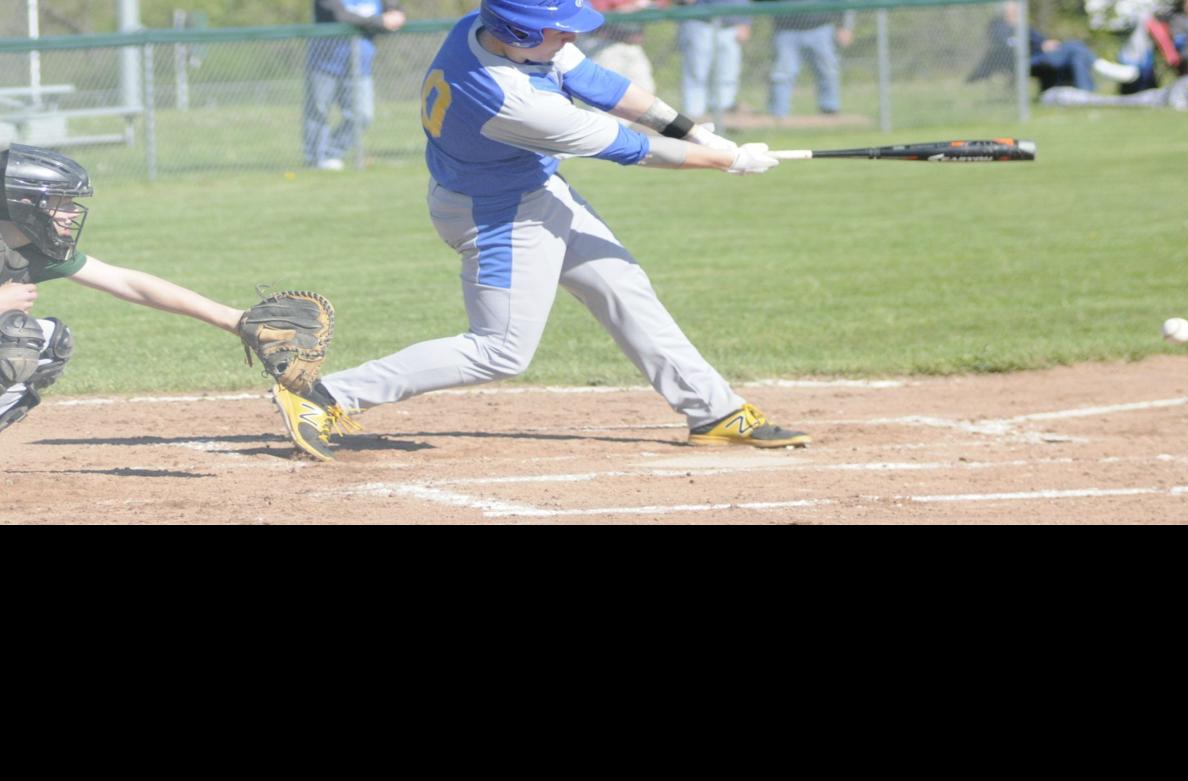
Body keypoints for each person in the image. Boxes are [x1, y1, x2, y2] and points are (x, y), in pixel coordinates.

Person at [276, 0, 808, 461]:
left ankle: (713, 411)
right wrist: (727, 159)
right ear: (519, 35)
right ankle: (326, 396)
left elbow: (600, 84)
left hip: (535, 191)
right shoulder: (509, 97)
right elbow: (632, 148)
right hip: (498, 215)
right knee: (499, 349)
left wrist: (694, 130)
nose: (573, 35)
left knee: (625, 288)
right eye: (559, 29)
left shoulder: (481, 28)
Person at [0, 144, 268, 437]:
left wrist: (232, 319)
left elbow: (127, 283)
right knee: (17, 336)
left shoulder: (32, 249)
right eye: (61, 203)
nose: (72, 212)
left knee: (50, 344)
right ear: (23, 203)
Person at [305, 1, 408, 171]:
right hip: (324, 63)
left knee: (363, 115)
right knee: (318, 112)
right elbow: (341, 16)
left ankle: (332, 153)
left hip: (360, 65)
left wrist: (395, 13)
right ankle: (315, 161)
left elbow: (394, 9)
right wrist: (379, 21)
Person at [966, 2, 1136, 93]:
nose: (1016, 13)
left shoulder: (1023, 27)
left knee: (1075, 52)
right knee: (1074, 47)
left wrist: (1046, 43)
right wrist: (1040, 46)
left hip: (1042, 55)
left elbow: (1040, 40)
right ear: (1005, 12)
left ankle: (1086, 92)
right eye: (1012, 11)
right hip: (1030, 60)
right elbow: (1008, 46)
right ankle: (1100, 68)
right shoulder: (999, 27)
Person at [767, 0, 855, 118]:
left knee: (828, 71)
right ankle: (778, 114)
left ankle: (829, 110)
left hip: (821, 27)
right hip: (786, 29)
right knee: (782, 73)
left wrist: (845, 26)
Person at [678, 0, 752, 120]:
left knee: (728, 74)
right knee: (697, 74)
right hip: (701, 23)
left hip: (732, 27)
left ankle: (724, 117)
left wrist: (745, 22)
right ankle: (695, 118)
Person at [1041, 54, 1188, 109]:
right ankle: (1058, 96)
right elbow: (1177, 105)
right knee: (1105, 102)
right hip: (1149, 100)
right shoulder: (1187, 82)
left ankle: (1058, 95)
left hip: (1150, 99)